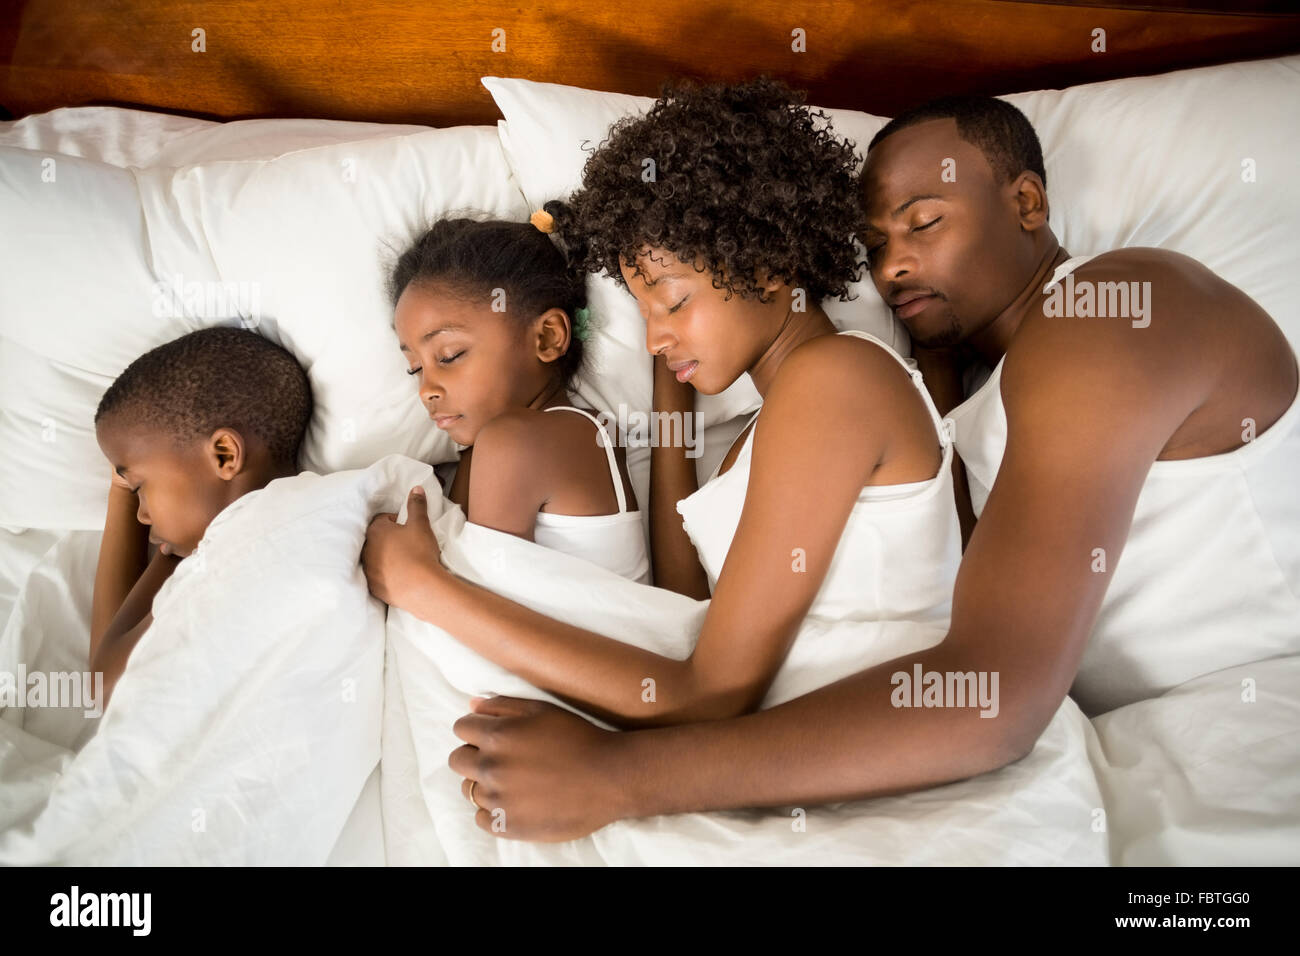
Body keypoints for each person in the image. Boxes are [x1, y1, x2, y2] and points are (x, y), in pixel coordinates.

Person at [444, 93, 1300, 843]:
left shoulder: (1115, 314)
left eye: (924, 222)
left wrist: (621, 778)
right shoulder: (972, 393)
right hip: (1124, 737)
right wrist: (674, 387)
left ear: (1028, 200)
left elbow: (987, 695)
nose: (890, 266)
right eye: (872, 242)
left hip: (1242, 725)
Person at [361, 76, 961, 758]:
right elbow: (683, 607)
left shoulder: (840, 380)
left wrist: (424, 587)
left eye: (672, 304)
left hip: (862, 749)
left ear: (765, 267)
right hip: (790, 750)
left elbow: (710, 693)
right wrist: (671, 380)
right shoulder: (767, 431)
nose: (653, 336)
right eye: (642, 313)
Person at [362, 217, 649, 585]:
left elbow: (481, 613)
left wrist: (413, 576)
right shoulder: (488, 449)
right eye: (414, 367)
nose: (425, 389)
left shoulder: (517, 441)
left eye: (449, 355)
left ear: (547, 337)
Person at [91, 325, 313, 707]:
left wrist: (161, 543)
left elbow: (103, 689)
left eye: (139, 488)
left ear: (225, 454)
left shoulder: (228, 555)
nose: (142, 516)